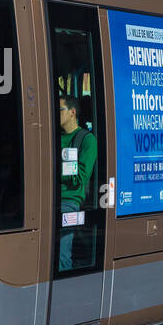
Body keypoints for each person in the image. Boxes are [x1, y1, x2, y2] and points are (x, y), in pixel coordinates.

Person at [59, 95, 97, 271]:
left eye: (60, 110)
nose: (56, 113)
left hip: (68, 201)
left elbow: (80, 177)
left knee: (61, 255)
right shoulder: (54, 137)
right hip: (47, 199)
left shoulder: (86, 140)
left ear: (72, 112)